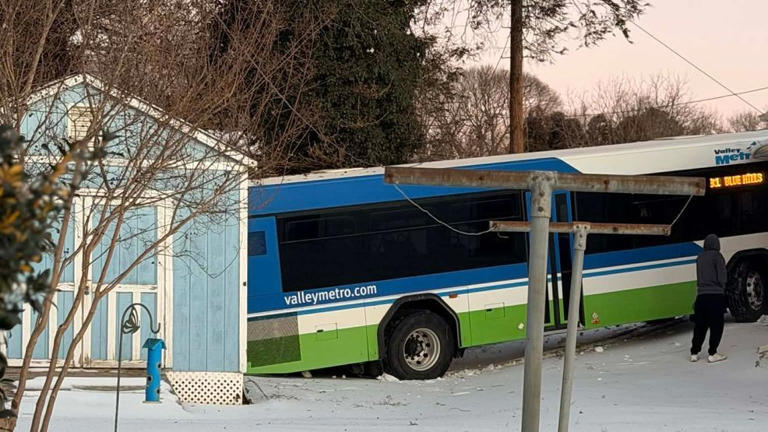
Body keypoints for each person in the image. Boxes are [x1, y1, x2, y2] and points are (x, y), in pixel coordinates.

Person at [690, 234, 727, 363]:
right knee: (717, 326)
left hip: (701, 296)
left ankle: (694, 352)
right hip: (715, 296)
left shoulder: (700, 257)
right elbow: (722, 276)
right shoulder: (717, 256)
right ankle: (713, 353)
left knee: (700, 326)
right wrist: (723, 287)